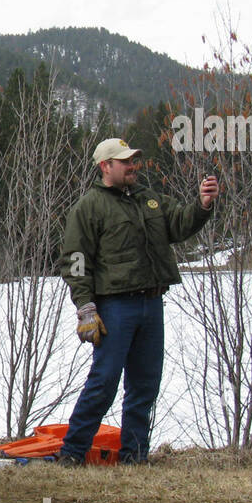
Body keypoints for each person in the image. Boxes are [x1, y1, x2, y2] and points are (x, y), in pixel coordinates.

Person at [57, 138, 218, 464]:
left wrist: (202, 206)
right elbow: (75, 261)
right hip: (115, 307)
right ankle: (72, 454)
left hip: (151, 304)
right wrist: (86, 308)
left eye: (134, 160)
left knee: (144, 386)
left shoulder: (150, 200)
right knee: (103, 383)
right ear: (106, 167)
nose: (133, 166)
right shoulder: (89, 207)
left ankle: (134, 457)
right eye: (125, 162)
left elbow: (178, 224)